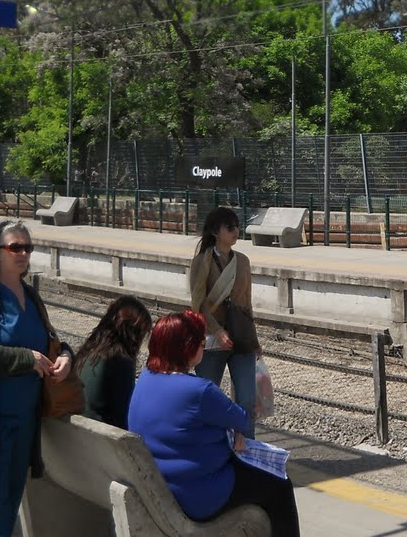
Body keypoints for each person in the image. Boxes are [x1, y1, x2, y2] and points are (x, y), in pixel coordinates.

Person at [128, 311, 299, 534]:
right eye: (201, 341)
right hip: (200, 495)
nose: (204, 345)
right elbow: (243, 418)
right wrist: (237, 429)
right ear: (188, 348)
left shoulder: (145, 379)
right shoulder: (199, 391)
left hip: (160, 485)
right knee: (280, 484)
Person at [0, 221, 72, 537]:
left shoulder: (31, 296)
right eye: (14, 247)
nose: (23, 253)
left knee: (7, 513)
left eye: (27, 247)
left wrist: (66, 358)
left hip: (25, 426)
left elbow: (53, 339)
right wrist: (25, 359)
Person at [188, 207, 260, 436]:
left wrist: (254, 340)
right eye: (230, 227)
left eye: (237, 226)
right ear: (215, 231)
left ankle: (248, 449)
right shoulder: (201, 262)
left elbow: (246, 304)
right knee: (207, 397)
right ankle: (210, 445)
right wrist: (217, 331)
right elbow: (199, 303)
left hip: (240, 337)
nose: (236, 231)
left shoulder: (243, 262)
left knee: (247, 400)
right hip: (210, 341)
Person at [72, 295, 153, 429]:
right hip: (104, 441)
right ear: (133, 334)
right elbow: (124, 416)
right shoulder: (120, 361)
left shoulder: (88, 352)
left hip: (79, 434)